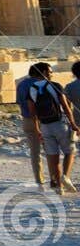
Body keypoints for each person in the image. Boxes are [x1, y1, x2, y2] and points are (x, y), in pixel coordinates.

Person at [24, 63, 78, 194]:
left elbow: (32, 113)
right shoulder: (55, 85)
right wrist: (73, 123)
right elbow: (65, 107)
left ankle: (59, 187)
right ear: (44, 72)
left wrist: (37, 129)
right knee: (70, 151)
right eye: (50, 71)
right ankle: (65, 176)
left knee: (53, 158)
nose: (52, 73)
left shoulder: (32, 89)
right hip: (60, 124)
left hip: (45, 126)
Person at [15, 63, 49, 188]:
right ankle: (55, 177)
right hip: (43, 120)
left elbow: (19, 102)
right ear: (43, 72)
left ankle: (39, 180)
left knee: (35, 153)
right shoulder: (43, 85)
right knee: (50, 150)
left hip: (27, 120)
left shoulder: (21, 84)